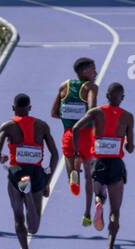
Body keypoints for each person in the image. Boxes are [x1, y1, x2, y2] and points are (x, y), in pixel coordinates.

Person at [0, 93, 59, 249]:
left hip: (16, 173)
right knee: (34, 227)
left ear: (13, 108)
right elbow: (55, 155)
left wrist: (3, 158)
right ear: (30, 108)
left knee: (18, 218)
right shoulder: (42, 126)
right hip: (37, 174)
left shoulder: (7, 126)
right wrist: (48, 179)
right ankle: (29, 195)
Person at [71, 83, 134, 249]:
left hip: (97, 163)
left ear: (106, 96)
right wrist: (128, 144)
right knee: (115, 212)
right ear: (122, 98)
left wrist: (76, 154)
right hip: (115, 165)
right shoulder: (127, 117)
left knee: (99, 192)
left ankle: (98, 200)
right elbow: (130, 147)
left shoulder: (96, 113)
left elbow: (75, 128)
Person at [51, 56, 99, 213]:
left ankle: (73, 173)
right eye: (93, 69)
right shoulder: (90, 87)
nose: (96, 72)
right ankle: (89, 210)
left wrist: (69, 116)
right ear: (85, 71)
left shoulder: (64, 86)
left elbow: (54, 113)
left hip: (68, 134)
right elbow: (91, 110)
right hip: (84, 135)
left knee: (70, 161)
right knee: (90, 175)